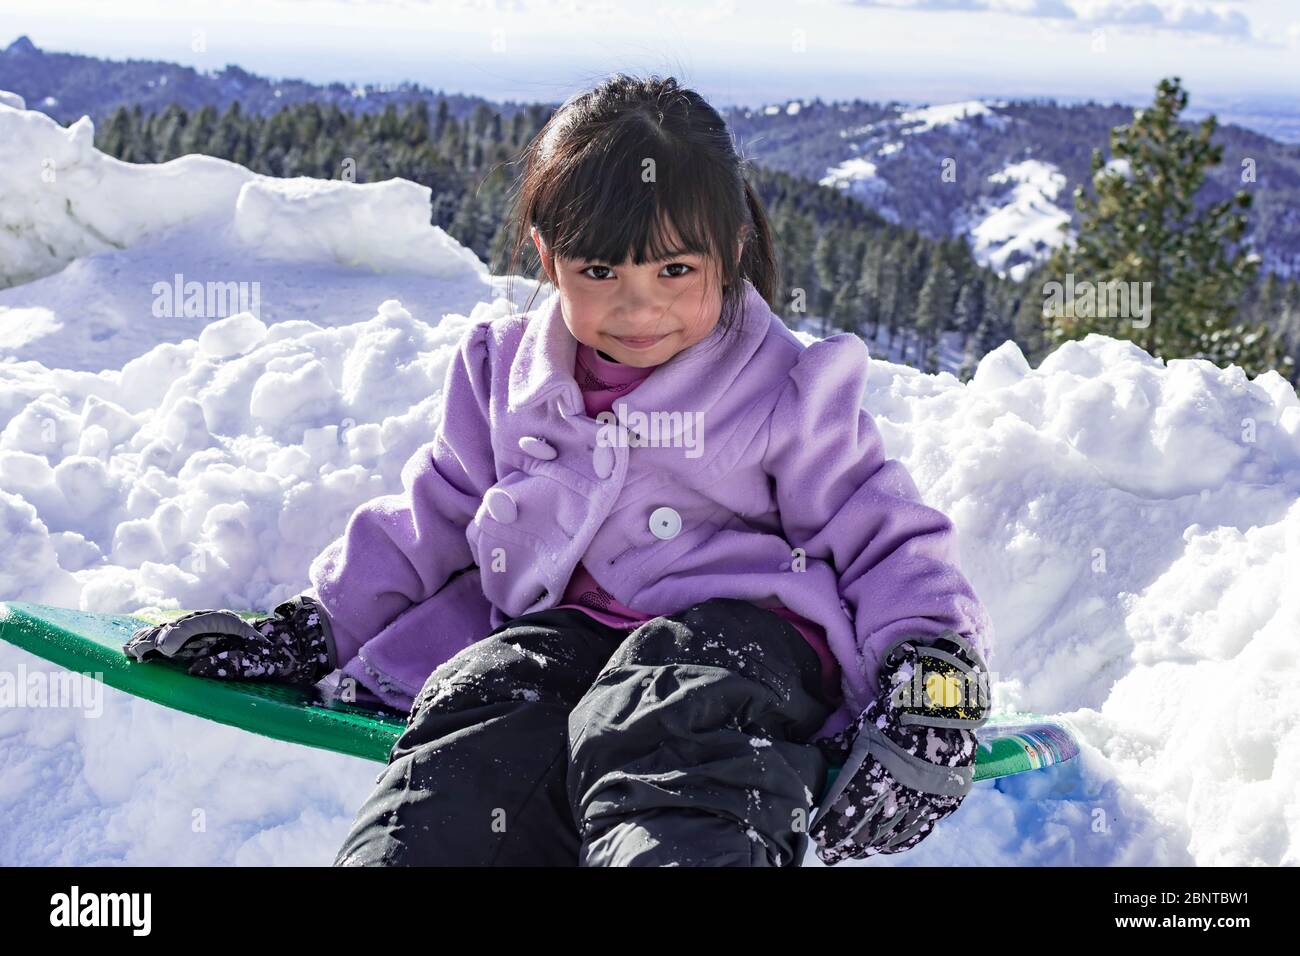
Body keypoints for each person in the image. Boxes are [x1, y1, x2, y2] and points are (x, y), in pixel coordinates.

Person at [124, 73, 993, 867]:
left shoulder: (785, 389)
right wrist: (311, 630)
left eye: (676, 269)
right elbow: (434, 518)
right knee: (480, 708)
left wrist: (935, 684)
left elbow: (888, 539)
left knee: (670, 720)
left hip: (739, 650)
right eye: (600, 269)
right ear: (548, 257)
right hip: (565, 644)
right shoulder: (505, 374)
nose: (638, 303)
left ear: (730, 250)